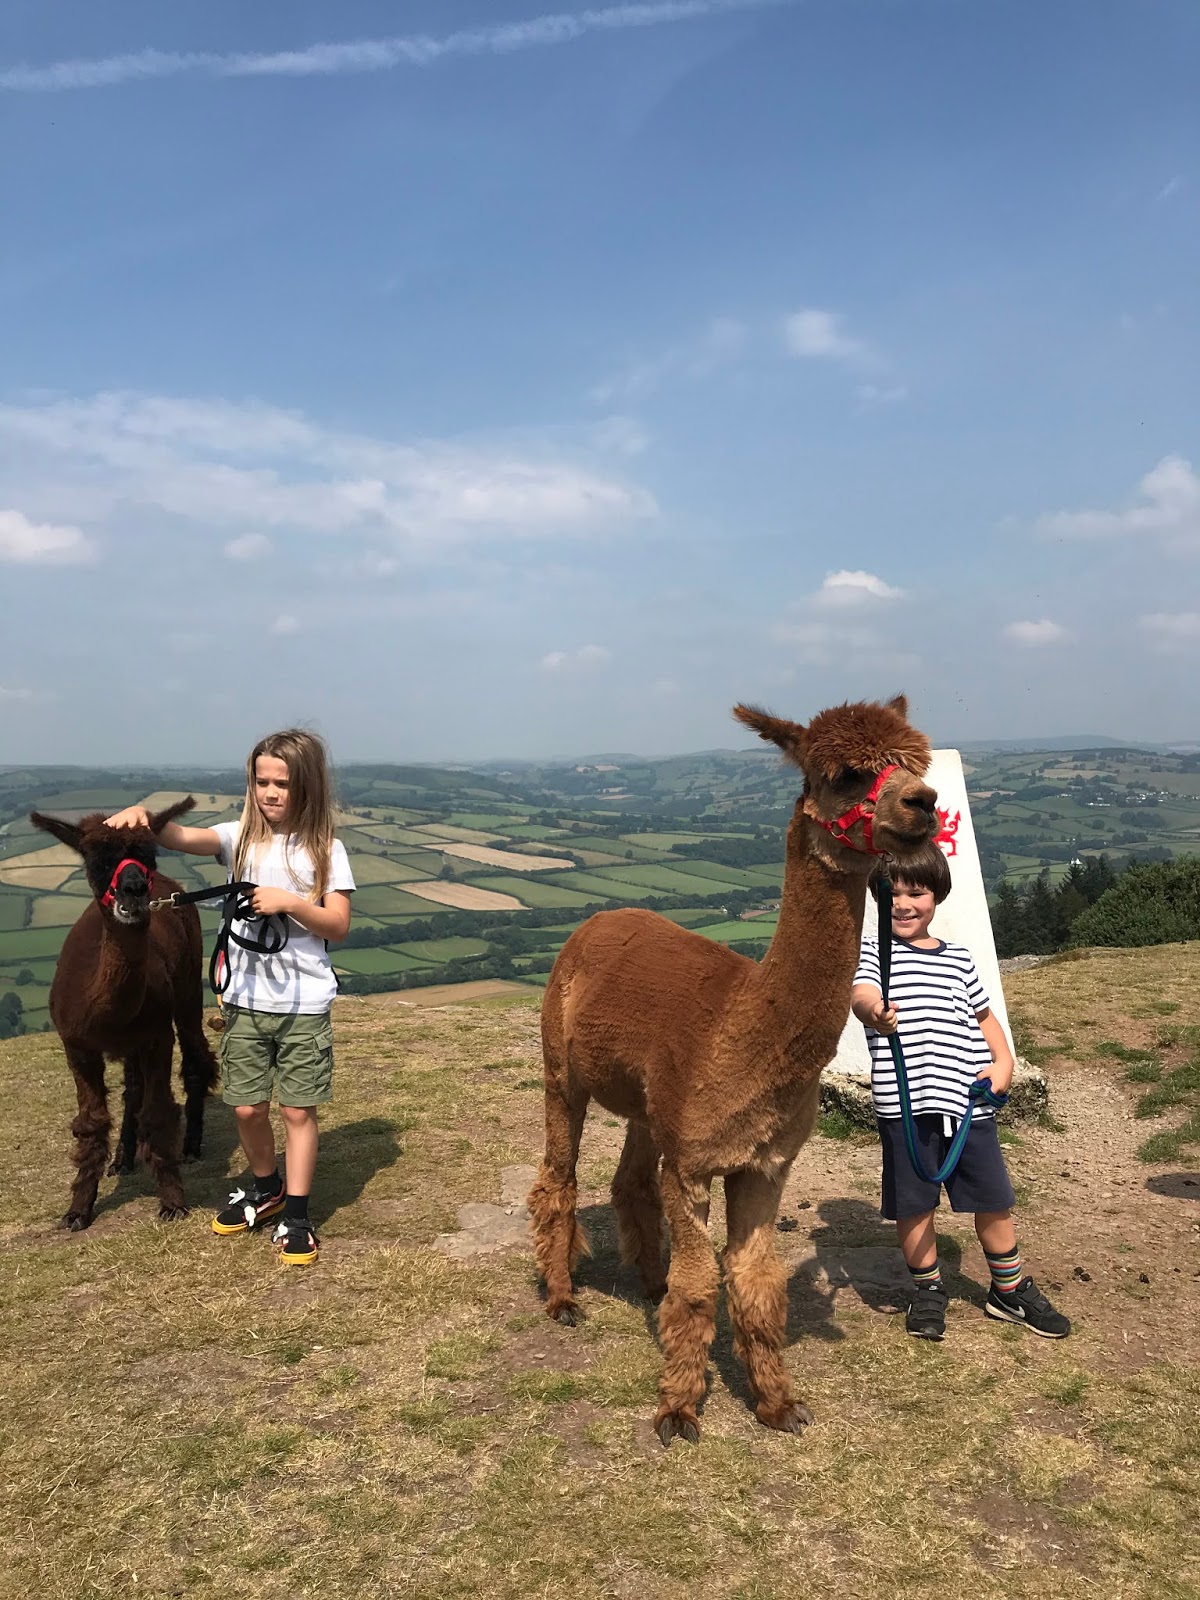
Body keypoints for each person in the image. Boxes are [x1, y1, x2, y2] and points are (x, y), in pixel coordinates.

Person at [107, 728, 354, 1266]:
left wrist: (288, 902)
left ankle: (297, 1215)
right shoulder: (237, 837)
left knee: (296, 1112)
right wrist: (143, 818)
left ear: (307, 786)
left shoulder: (326, 850)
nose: (271, 793)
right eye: (262, 781)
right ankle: (268, 1189)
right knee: (245, 1106)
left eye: (283, 783)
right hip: (243, 998)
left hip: (303, 1003)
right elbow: (180, 839)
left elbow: (337, 926)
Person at [851, 844, 1069, 1341]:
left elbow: (983, 1016)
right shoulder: (873, 952)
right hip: (906, 1109)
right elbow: (862, 995)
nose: (903, 904)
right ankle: (928, 1291)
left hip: (968, 1104)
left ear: (937, 895)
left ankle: (1008, 1292)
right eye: (893, 894)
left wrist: (1004, 1061)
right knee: (914, 1204)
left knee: (993, 1199)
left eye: (917, 892)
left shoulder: (959, 959)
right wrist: (873, 1012)